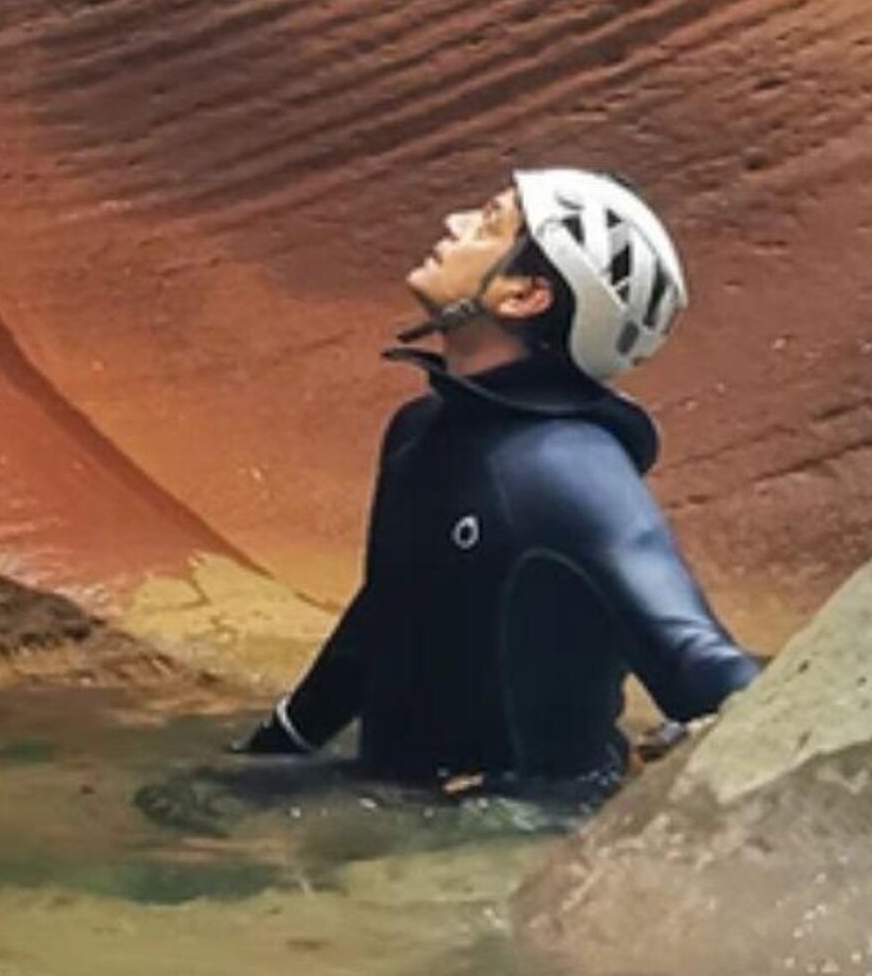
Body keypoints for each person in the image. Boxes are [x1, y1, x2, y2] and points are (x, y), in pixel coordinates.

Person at [236, 169, 758, 801]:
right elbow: (390, 609)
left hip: (524, 838)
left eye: (487, 222)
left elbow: (694, 658)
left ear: (524, 296)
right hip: (399, 804)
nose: (455, 224)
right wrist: (279, 747)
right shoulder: (421, 431)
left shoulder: (571, 469)